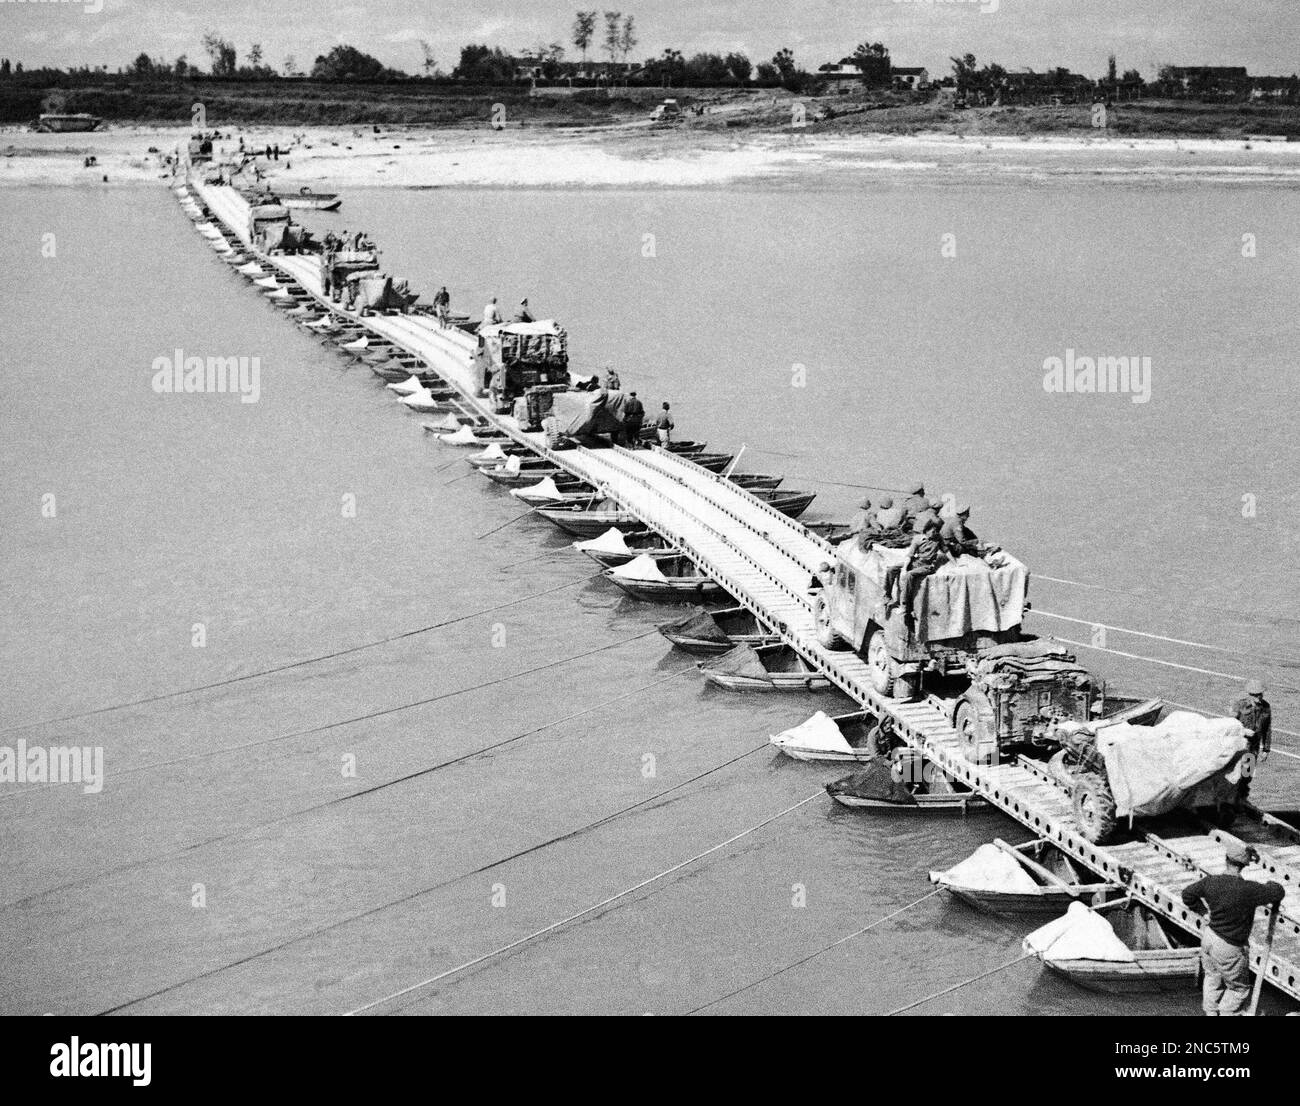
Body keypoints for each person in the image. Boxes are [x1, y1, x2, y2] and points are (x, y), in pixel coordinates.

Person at [1181, 842, 1285, 1016]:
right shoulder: (1249, 890)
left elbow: (1187, 894)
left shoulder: (1210, 882)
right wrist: (1271, 883)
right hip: (1230, 946)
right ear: (1244, 866)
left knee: (1212, 977)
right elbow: (1277, 892)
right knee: (1239, 989)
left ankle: (1211, 1013)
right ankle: (1226, 1014)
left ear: (1226, 860)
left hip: (1209, 937)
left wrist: (1203, 912)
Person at [893, 516, 950, 628]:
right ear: (927, 529)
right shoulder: (918, 539)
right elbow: (910, 555)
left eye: (936, 531)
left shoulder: (938, 539)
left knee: (910, 576)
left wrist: (956, 563)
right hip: (916, 562)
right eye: (932, 531)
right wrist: (904, 568)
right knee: (892, 569)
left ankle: (905, 606)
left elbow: (946, 551)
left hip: (927, 566)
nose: (934, 533)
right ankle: (887, 596)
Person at [1233, 679, 1272, 760]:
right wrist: (1243, 731)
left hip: (1253, 748)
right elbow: (1231, 726)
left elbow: (1267, 729)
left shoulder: (1266, 707)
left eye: (1259, 694)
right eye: (1255, 695)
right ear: (1249, 694)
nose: (1258, 697)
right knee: (1236, 771)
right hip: (1238, 746)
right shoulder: (1240, 705)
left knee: (1247, 771)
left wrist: (1266, 749)